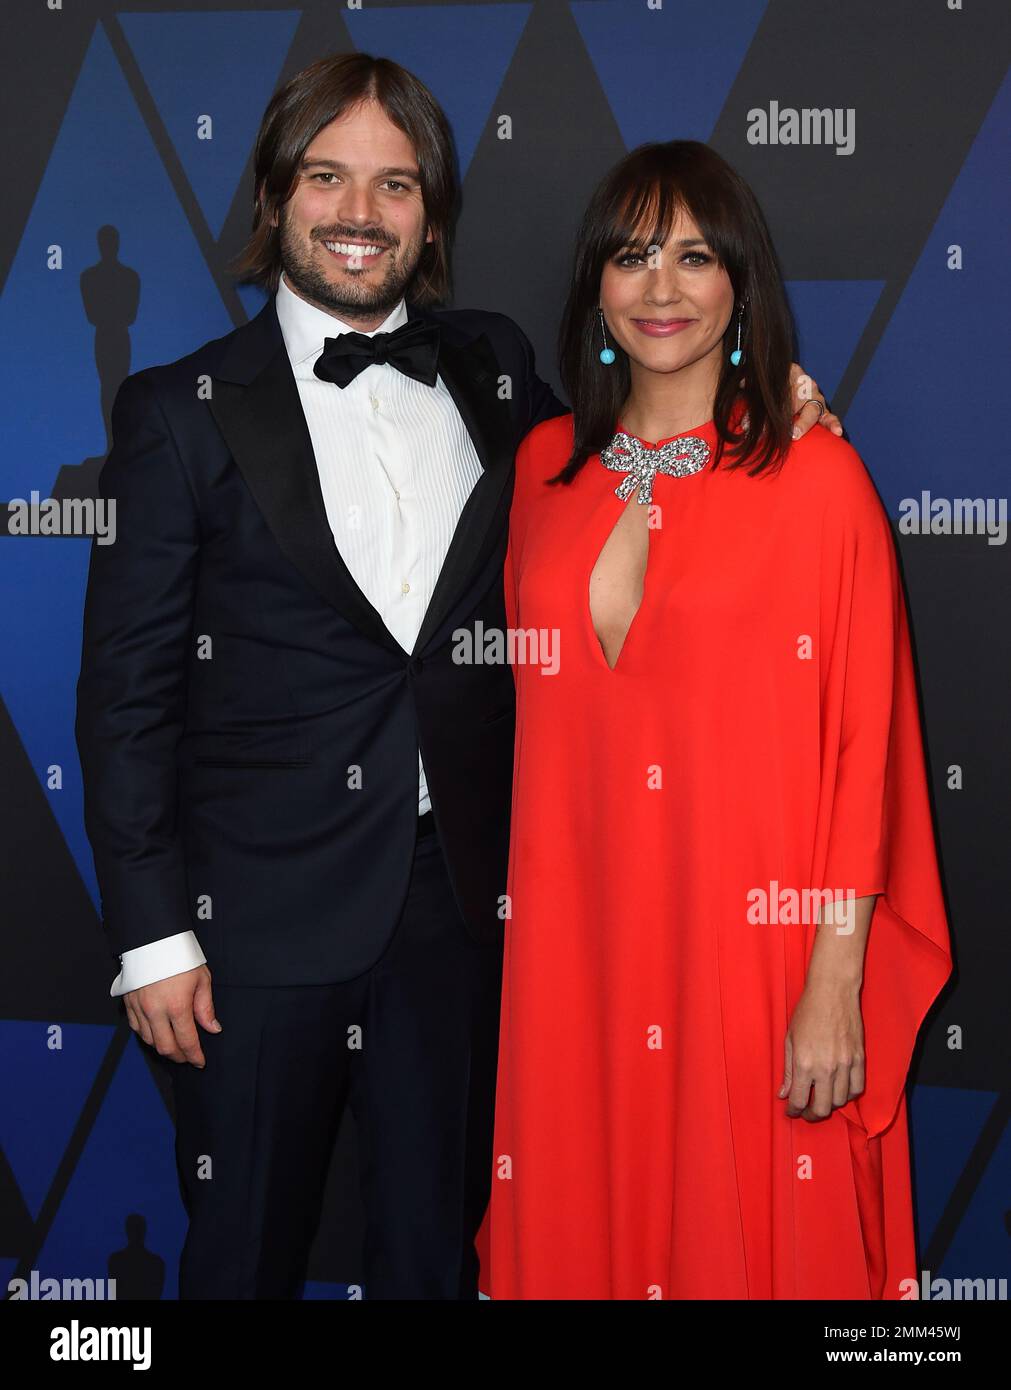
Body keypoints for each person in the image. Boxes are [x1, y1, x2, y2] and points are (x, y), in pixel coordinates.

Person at [75, 54, 836, 1301]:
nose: (359, 212)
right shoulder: (180, 411)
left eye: (394, 182)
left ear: (431, 216)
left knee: (436, 1252)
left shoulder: (493, 374)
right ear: (273, 198)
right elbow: (125, 697)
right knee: (242, 1257)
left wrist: (782, 404)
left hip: (463, 917)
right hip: (250, 937)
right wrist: (154, 938)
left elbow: (637, 451)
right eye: (326, 176)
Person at [483, 140, 952, 1299]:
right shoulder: (543, 471)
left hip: (755, 953)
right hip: (574, 955)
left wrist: (834, 978)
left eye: (695, 256)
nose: (661, 285)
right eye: (634, 254)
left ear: (741, 284)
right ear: (595, 282)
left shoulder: (815, 476)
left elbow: (865, 744)